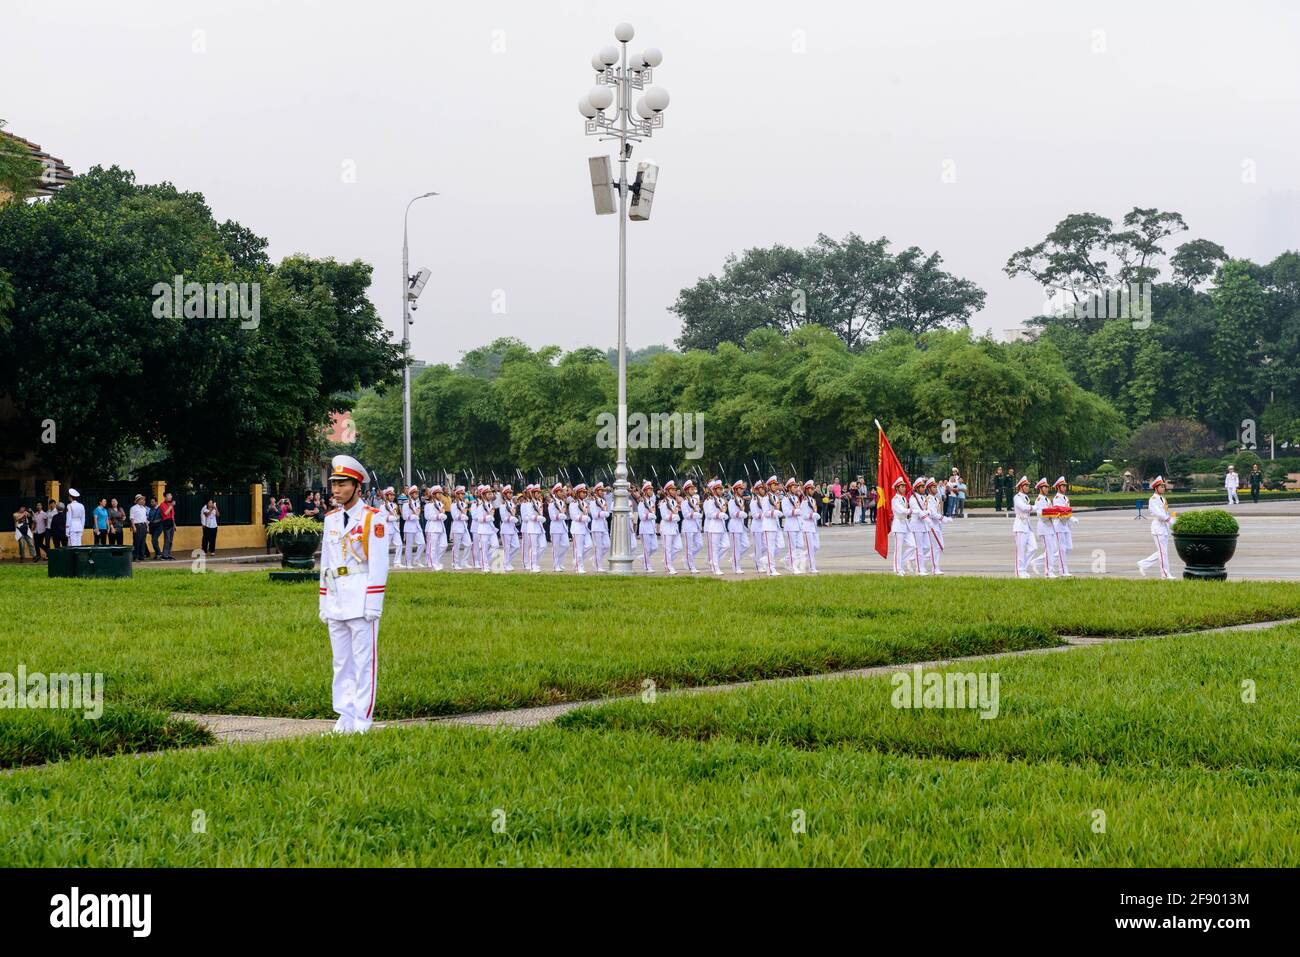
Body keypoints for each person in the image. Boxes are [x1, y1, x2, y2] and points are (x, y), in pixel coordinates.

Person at [319, 454, 388, 734]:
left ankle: (362, 719)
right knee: (341, 663)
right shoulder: (331, 520)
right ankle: (344, 718)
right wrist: (324, 600)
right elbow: (326, 563)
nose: (336, 489)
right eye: (334, 483)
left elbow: (380, 565)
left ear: (357, 486)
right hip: (337, 598)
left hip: (361, 597)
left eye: (342, 484)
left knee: (363, 663)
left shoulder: (373, 518)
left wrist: (374, 602)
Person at [1137, 476, 1174, 580]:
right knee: (1163, 552)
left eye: (1164, 486)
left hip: (1164, 528)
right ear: (1156, 488)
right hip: (1158, 528)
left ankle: (1143, 564)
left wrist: (1170, 520)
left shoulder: (1163, 498)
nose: (1163, 488)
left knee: (1162, 552)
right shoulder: (1153, 499)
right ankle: (1165, 575)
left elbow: (1165, 512)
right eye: (1161, 486)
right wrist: (1170, 520)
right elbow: (1159, 514)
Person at [1032, 478, 1059, 578]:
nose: (1047, 489)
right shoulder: (1039, 500)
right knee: (1050, 550)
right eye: (1045, 487)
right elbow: (1040, 514)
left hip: (1050, 527)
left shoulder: (1047, 499)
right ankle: (1048, 571)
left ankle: (1038, 562)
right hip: (1044, 527)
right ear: (1040, 488)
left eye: (1047, 487)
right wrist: (1051, 515)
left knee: (1054, 549)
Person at [889, 477, 913, 576]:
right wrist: (911, 510)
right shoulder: (895, 499)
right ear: (897, 488)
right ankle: (897, 569)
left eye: (904, 486)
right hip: (898, 524)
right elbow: (901, 510)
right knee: (898, 548)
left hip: (905, 524)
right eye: (902, 486)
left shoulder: (903, 498)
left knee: (913, 545)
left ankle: (901, 564)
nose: (904, 488)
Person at [1051, 476, 1074, 577]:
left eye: (1065, 486)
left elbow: (1067, 510)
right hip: (1059, 525)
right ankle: (1063, 571)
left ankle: (1046, 559)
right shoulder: (1056, 499)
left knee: (1068, 548)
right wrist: (1070, 517)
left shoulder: (1065, 498)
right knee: (1062, 549)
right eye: (1063, 486)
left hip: (1066, 525)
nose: (1065, 488)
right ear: (1058, 487)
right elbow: (1060, 512)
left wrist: (1070, 517)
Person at [1011, 476, 1033, 578]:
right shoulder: (1017, 497)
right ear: (1020, 487)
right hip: (1020, 525)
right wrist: (1033, 507)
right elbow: (1024, 508)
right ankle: (1019, 572)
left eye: (1028, 485)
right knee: (1021, 550)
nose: (1028, 487)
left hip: (1027, 525)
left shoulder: (1025, 497)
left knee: (1033, 548)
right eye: (1026, 485)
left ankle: (1023, 568)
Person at [130, 494, 150, 560]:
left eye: (143, 499)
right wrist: (134, 527)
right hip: (137, 526)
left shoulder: (144, 508)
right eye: (141, 499)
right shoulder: (133, 508)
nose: (143, 500)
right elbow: (132, 518)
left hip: (144, 525)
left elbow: (146, 518)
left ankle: (142, 556)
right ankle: (135, 556)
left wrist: (147, 527)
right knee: (136, 541)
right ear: (138, 500)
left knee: (143, 541)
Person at [159, 492, 177, 560]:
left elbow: (172, 515)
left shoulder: (170, 504)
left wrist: (174, 524)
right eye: (169, 496)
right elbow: (166, 513)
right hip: (166, 523)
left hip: (171, 523)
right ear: (165, 497)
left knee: (171, 540)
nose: (170, 497)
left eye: (171, 496)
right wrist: (171, 505)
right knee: (167, 539)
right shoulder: (162, 504)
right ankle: (164, 555)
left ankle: (169, 554)